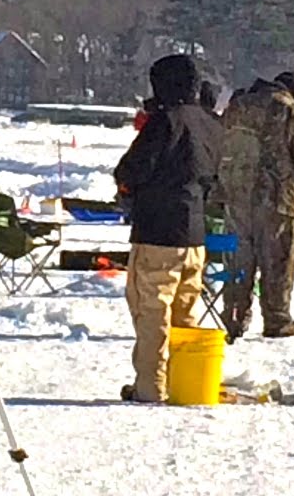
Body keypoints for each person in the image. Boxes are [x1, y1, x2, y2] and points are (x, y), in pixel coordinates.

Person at [114, 54, 222, 403]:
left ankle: (150, 386)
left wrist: (128, 188)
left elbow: (132, 169)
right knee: (184, 314)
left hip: (158, 231)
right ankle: (184, 382)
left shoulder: (165, 122)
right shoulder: (210, 123)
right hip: (195, 233)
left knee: (152, 312)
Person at [216, 71, 294, 339]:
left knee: (238, 262)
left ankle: (233, 316)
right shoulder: (293, 112)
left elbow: (220, 146)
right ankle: (277, 320)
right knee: (278, 262)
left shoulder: (238, 106)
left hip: (237, 197)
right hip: (278, 200)